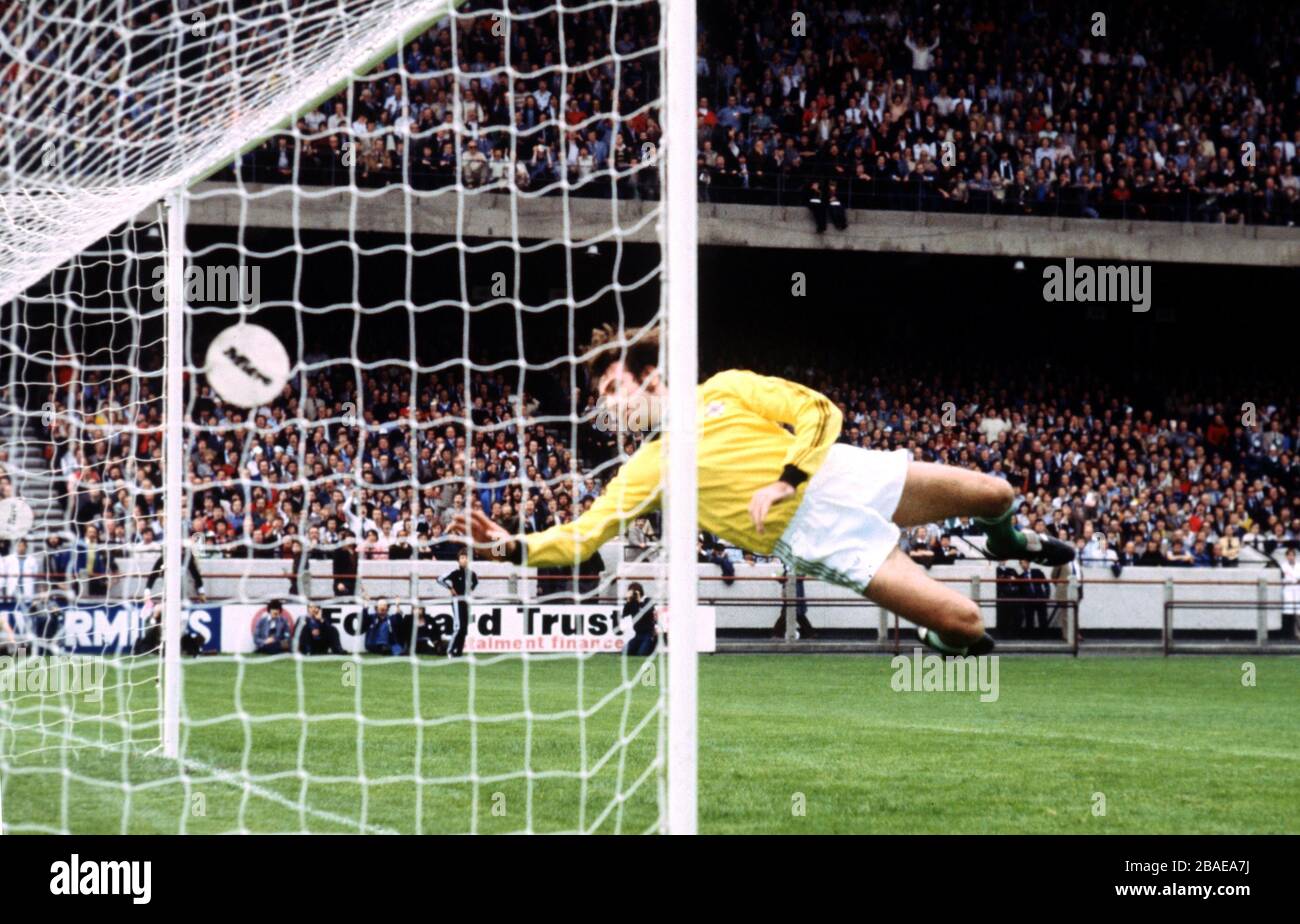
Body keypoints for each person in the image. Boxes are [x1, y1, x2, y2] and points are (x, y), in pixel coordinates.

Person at [456, 324, 1074, 658]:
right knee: (967, 625)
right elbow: (582, 534)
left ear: (651, 379)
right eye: (600, 402)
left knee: (995, 492)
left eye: (613, 391)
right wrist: (514, 546)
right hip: (816, 536)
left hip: (840, 472)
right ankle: (937, 637)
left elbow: (818, 412)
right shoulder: (647, 469)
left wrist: (789, 477)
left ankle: (1007, 541)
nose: (608, 408)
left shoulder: (725, 387)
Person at [438, 550, 479, 657]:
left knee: (464, 628)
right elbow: (440, 579)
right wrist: (450, 587)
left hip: (466, 602)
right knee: (458, 627)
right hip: (457, 601)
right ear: (458, 560)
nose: (464, 560)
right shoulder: (455, 573)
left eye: (466, 557)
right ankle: (450, 651)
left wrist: (470, 590)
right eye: (462, 558)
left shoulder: (472, 574)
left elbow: (475, 583)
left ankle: (459, 652)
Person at [622, 582, 656, 656]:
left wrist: (639, 601)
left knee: (641, 654)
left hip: (648, 634)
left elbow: (644, 613)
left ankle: (650, 648)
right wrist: (628, 601)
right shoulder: (632, 602)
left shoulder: (648, 600)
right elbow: (624, 614)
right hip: (637, 634)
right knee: (624, 652)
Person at [1281, 548, 1300, 639]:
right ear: (1286, 556)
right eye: (1289, 555)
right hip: (1288, 590)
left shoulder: (1299, 565)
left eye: (1292, 555)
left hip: (1298, 590)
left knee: (1298, 613)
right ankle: (1288, 635)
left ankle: (1297, 633)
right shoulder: (1283, 566)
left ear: (1295, 556)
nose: (1291, 557)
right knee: (1288, 613)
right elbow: (1283, 578)